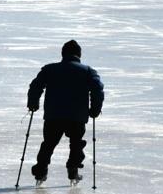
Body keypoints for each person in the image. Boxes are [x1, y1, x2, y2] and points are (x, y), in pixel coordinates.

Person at [28, 40, 105, 184]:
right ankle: (73, 171)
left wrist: (33, 104)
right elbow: (97, 90)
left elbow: (35, 86)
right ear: (79, 55)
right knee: (76, 144)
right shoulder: (88, 71)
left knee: (48, 144)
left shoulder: (50, 69)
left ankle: (40, 172)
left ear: (63, 54)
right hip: (77, 116)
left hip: (53, 115)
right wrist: (95, 110)